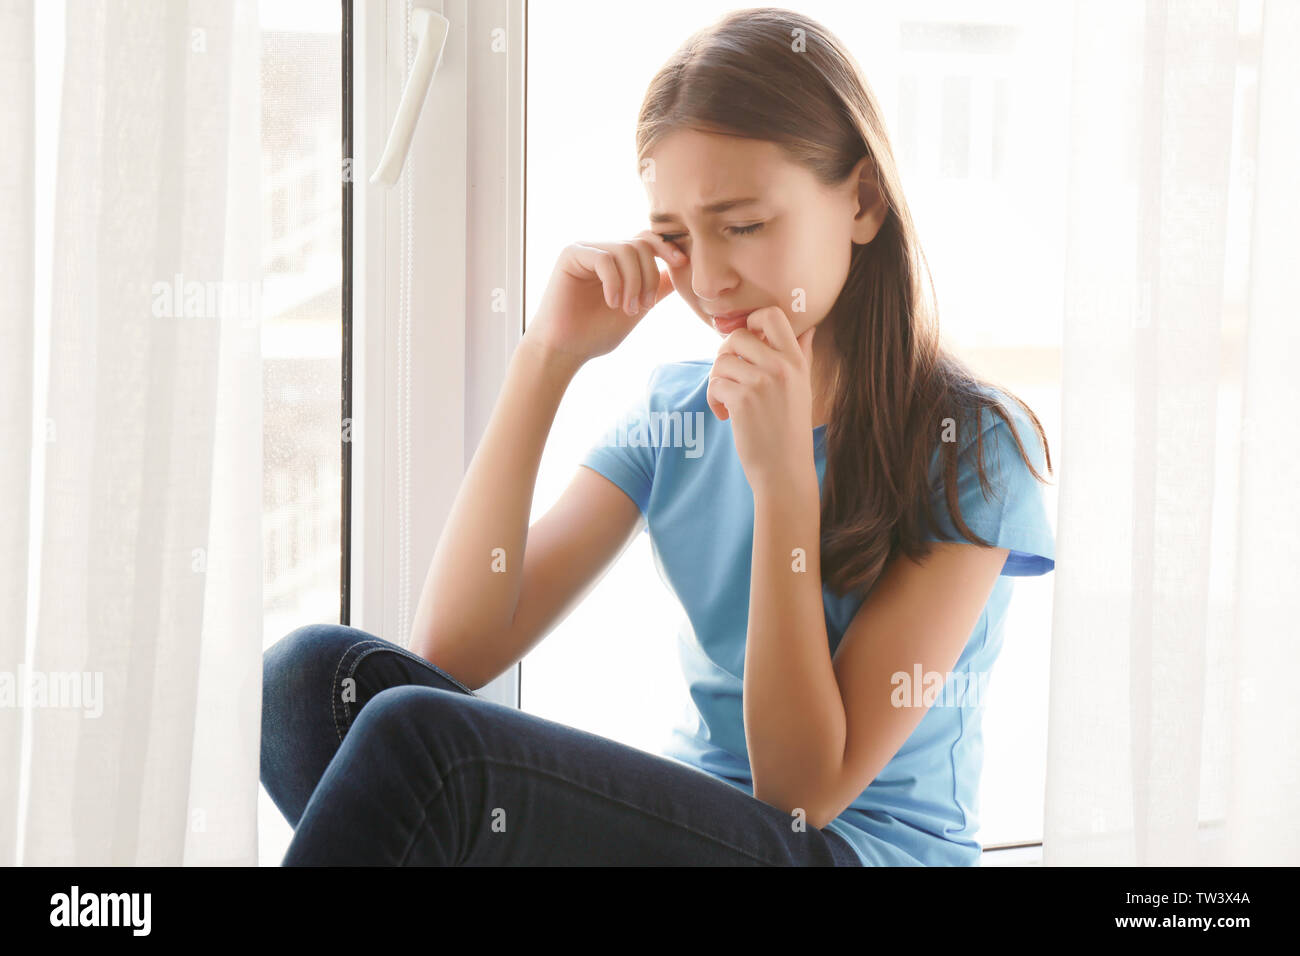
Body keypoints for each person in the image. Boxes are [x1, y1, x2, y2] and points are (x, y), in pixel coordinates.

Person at [261, 6, 1055, 866]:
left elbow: (803, 794)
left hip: (848, 851)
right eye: (677, 240)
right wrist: (547, 357)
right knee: (310, 684)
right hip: (700, 838)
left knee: (427, 748)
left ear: (862, 200)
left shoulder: (974, 447)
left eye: (744, 225)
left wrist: (784, 482)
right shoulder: (678, 412)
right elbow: (457, 647)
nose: (710, 279)